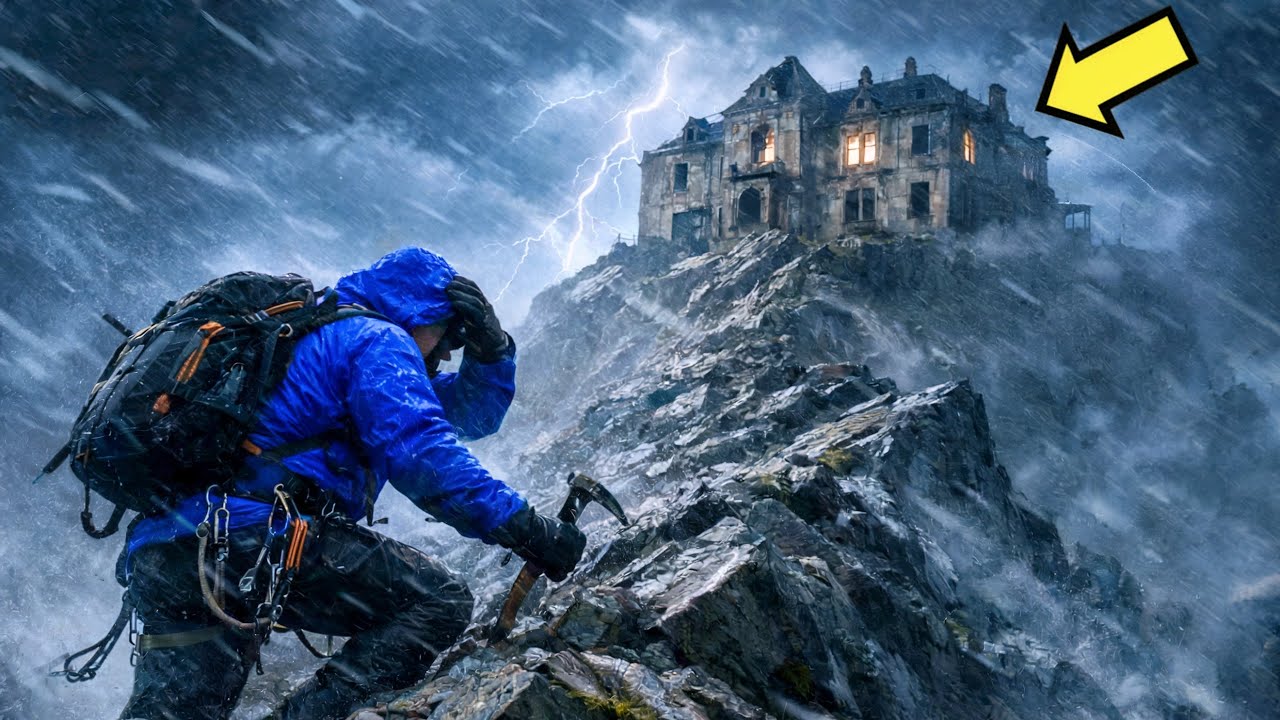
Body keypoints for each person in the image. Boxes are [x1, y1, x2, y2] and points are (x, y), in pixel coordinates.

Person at [117, 247, 586, 720]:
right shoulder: (377, 340)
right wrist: (527, 528)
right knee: (435, 600)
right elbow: (422, 454)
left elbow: (469, 414)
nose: (447, 351)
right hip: (254, 537)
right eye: (447, 334)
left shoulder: (324, 333)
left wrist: (492, 354)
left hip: (174, 549)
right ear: (416, 313)